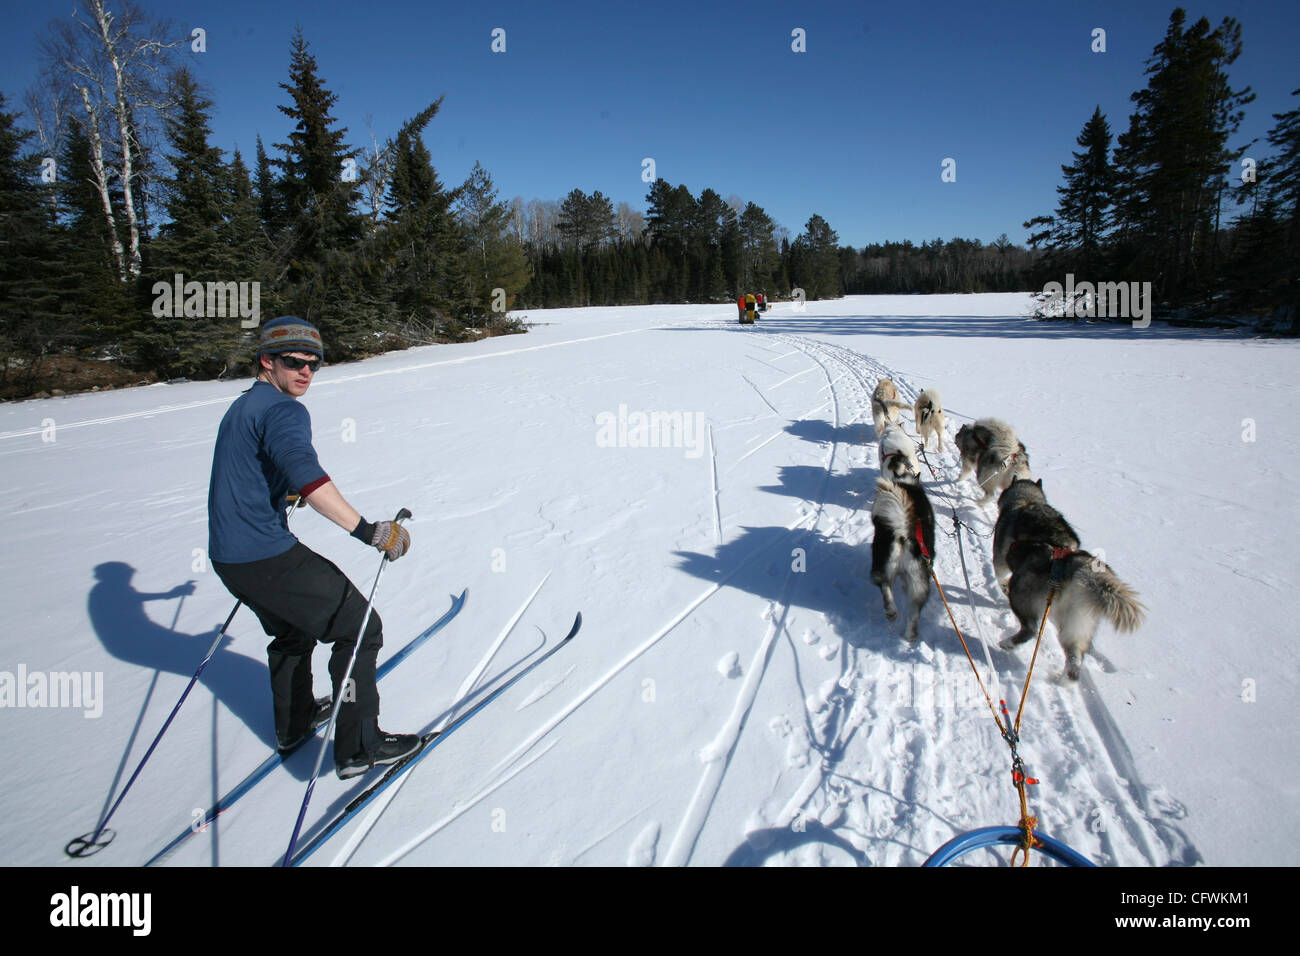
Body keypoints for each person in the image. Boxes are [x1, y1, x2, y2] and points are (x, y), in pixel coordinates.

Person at [207, 315, 419, 779]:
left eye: (314, 364)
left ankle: (295, 722)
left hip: (229, 558)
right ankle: (359, 746)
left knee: (292, 633)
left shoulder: (246, 405)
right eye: (293, 362)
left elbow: (253, 465)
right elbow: (308, 474)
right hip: (264, 554)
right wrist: (369, 531)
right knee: (359, 628)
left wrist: (281, 489)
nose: (305, 371)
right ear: (267, 361)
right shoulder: (284, 410)